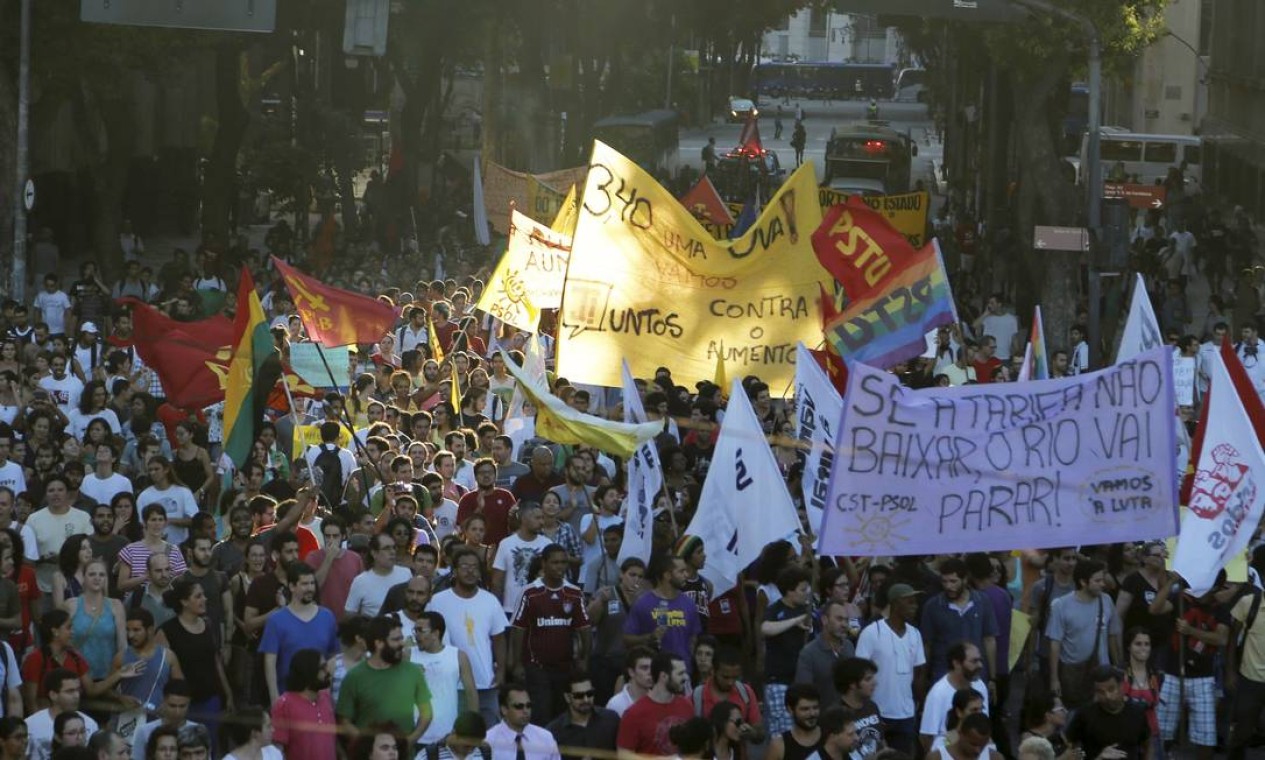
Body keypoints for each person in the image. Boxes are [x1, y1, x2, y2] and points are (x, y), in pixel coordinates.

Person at [1148, 570, 1228, 759]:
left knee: (1206, 736)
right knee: (1162, 731)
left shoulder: (1220, 608)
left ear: (1214, 586)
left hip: (1203, 677)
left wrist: (1190, 630)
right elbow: (1155, 609)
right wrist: (1170, 583)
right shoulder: (1181, 599)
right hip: (1173, 673)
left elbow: (1221, 638)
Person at [510, 544, 591, 722]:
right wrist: (517, 663)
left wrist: (584, 659)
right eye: (555, 562)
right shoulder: (530, 593)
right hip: (537, 667)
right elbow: (518, 629)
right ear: (544, 563)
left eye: (563, 562)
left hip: (565, 667)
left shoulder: (574, 593)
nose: (560, 567)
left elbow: (585, 629)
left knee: (563, 715)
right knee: (541, 714)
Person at [429, 547, 508, 728]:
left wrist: (502, 669)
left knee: (489, 735)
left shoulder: (490, 601)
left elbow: (499, 639)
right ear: (454, 571)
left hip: (486, 681)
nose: (470, 571)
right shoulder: (438, 601)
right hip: (452, 684)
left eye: (474, 567)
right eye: (464, 566)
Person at [153, 579, 232, 746]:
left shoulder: (208, 624)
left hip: (210, 700)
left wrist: (227, 693)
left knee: (208, 746)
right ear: (184, 602)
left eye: (203, 595)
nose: (204, 599)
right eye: (198, 596)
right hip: (181, 705)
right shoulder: (166, 631)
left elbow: (216, 661)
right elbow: (160, 671)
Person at [335, 615, 433, 744]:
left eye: (402, 638)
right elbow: (344, 720)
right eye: (396, 639)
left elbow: (426, 713)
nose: (402, 643)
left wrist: (410, 740)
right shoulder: (355, 677)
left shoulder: (412, 672)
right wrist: (367, 746)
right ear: (378, 643)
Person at [855, 583, 925, 755]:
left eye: (915, 602)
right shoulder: (872, 632)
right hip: (877, 711)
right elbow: (858, 671)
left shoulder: (915, 633)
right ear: (895, 603)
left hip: (906, 714)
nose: (915, 606)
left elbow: (919, 671)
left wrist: (917, 702)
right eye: (910, 602)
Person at [260, 562, 339, 705]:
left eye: (312, 583)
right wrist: (274, 697)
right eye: (304, 584)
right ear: (292, 587)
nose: (310, 588)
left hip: (321, 698)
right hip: (288, 696)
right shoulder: (276, 620)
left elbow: (333, 656)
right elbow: (270, 662)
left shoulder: (327, 617)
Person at [1047, 560, 1121, 709]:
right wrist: (1054, 679)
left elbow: (1113, 635)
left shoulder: (1106, 601)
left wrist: (1118, 665)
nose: (1102, 584)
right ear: (1083, 582)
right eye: (1097, 580)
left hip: (1102, 674)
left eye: (1102, 580)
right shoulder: (1061, 605)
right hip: (1073, 674)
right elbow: (1055, 643)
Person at [920, 558, 998, 683]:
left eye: (953, 581)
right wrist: (922, 677)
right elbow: (927, 644)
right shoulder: (932, 606)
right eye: (944, 581)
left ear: (965, 580)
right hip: (943, 674)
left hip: (976, 674)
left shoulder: (982, 601)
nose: (948, 586)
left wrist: (993, 678)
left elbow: (989, 639)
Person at [623, 553, 701, 670]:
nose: (687, 575)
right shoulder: (643, 603)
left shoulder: (689, 603)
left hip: (682, 672)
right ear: (667, 575)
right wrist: (650, 638)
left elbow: (693, 638)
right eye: (681, 571)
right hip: (653, 672)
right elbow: (626, 639)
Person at [413, 611, 479, 747]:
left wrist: (471, 729)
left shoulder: (458, 656)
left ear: (436, 633)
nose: (416, 635)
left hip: (447, 736)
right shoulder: (407, 655)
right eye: (415, 630)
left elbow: (471, 694)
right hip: (414, 734)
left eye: (421, 630)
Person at [615, 651, 693, 758]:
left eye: (685, 672)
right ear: (664, 676)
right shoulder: (634, 714)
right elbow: (623, 755)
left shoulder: (686, 706)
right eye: (680, 673)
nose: (685, 677)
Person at [1065, 667, 1150, 760]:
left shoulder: (1137, 712)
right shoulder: (1084, 715)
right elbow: (1071, 747)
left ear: (1121, 686)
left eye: (1111, 689)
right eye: (1101, 692)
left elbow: (1147, 744)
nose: (1107, 696)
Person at [270, 648, 337, 760]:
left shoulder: (326, 699)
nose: (328, 672)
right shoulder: (284, 705)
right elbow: (278, 749)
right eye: (323, 668)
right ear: (308, 671)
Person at [920, 642, 988, 751]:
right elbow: (926, 736)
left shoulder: (980, 686)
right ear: (957, 663)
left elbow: (984, 724)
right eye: (974, 661)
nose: (980, 665)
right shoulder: (938, 693)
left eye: (980, 660)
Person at [24, 669, 98, 760]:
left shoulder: (90, 723)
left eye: (78, 690)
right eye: (70, 691)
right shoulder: (31, 725)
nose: (76, 696)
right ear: (53, 695)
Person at [491, 503, 550, 616]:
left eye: (543, 518)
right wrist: (496, 611)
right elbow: (496, 582)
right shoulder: (506, 544)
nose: (542, 522)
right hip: (511, 609)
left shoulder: (547, 544)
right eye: (537, 518)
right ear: (523, 518)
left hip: (540, 609)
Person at [691, 646, 763, 738]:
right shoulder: (697, 696)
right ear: (713, 671)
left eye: (735, 677)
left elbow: (760, 732)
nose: (730, 682)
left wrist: (752, 733)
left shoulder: (746, 693)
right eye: (725, 677)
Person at [796, 599, 856, 706]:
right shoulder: (809, 653)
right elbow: (803, 693)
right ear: (824, 620)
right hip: (822, 717)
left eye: (846, 620)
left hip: (848, 717)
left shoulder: (849, 647)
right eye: (839, 619)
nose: (844, 624)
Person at [545, 673, 620, 758]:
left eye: (589, 693)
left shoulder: (610, 719)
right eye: (579, 696)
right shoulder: (554, 731)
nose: (586, 699)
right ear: (567, 697)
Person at [128, 680, 207, 760]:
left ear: (189, 704)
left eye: (182, 706)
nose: (177, 712)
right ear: (164, 701)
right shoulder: (144, 731)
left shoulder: (198, 731)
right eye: (172, 706)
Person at [304, 515, 363, 621]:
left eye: (335, 536)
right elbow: (312, 588)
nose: (331, 540)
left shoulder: (355, 558)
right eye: (327, 536)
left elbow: (361, 590)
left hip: (348, 622)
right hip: (321, 619)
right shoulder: (313, 557)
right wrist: (328, 559)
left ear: (343, 536)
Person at [486, 682, 561, 760]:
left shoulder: (545, 738)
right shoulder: (489, 741)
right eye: (519, 706)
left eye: (528, 706)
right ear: (504, 709)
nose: (525, 711)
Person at [346, 533, 412, 618]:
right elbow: (348, 614)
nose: (392, 552)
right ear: (374, 553)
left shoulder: (406, 574)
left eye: (394, 547)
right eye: (386, 548)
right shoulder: (361, 581)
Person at [835, 658, 884, 759]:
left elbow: (881, 740)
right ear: (852, 684)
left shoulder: (872, 706)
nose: (874, 683)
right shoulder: (837, 714)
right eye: (868, 679)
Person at [765, 683, 822, 760]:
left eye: (815, 708)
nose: (812, 713)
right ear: (790, 710)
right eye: (805, 709)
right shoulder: (779, 746)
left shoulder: (830, 738)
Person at [927, 713, 1002, 760]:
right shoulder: (936, 758)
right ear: (961, 734)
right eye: (973, 744)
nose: (977, 750)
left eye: (982, 745)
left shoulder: (995, 758)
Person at [605, 647, 653, 717]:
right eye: (644, 668)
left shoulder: (659, 700)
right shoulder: (615, 704)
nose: (650, 672)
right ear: (631, 672)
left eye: (653, 668)